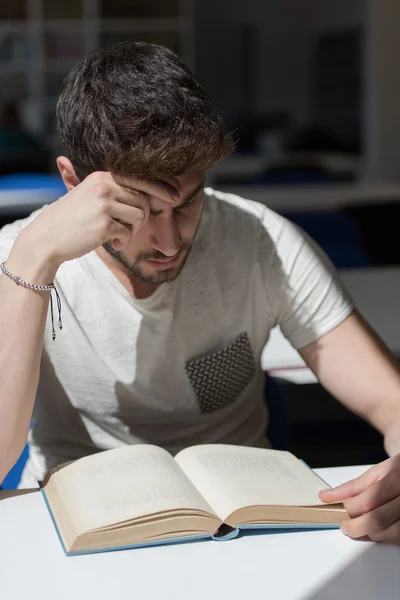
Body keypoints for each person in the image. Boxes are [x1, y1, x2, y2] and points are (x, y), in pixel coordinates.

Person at [0, 42, 400, 545]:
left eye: (188, 205)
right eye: (140, 209)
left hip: (251, 524)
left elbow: (390, 400)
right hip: (85, 526)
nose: (168, 243)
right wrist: (35, 257)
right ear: (73, 182)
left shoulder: (263, 241)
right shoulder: (21, 257)